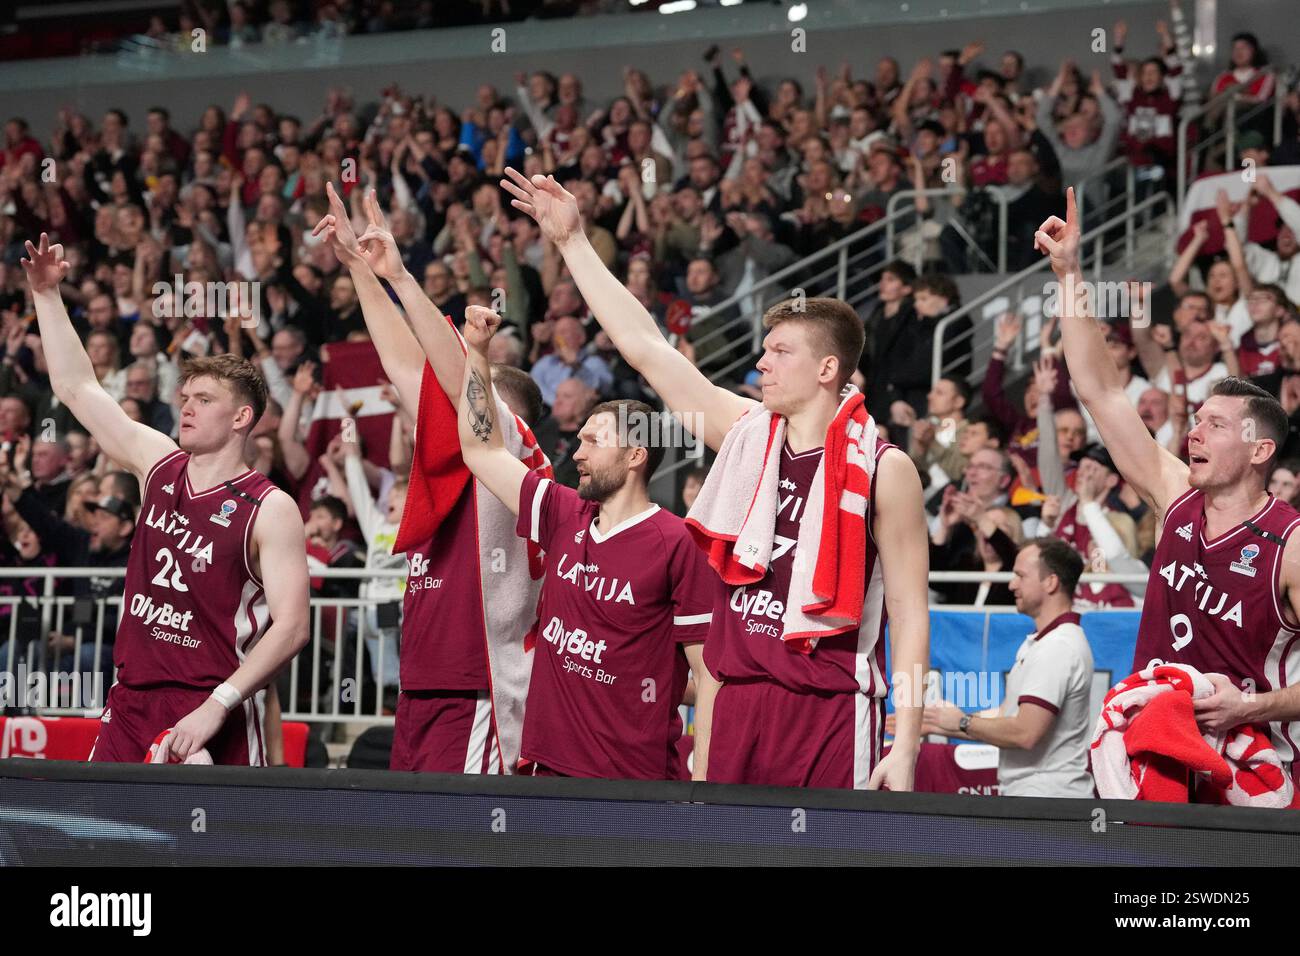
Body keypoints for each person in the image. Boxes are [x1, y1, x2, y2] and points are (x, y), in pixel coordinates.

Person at [499, 168, 927, 790]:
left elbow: (912, 617)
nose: (762, 361)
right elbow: (647, 348)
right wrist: (573, 243)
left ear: (828, 367)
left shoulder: (885, 469)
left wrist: (908, 739)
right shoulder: (746, 433)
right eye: (764, 347)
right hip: (736, 701)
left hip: (827, 706)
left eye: (781, 351)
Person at [1035, 189, 1300, 781]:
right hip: (1158, 753)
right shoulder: (1174, 494)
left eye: (1215, 425)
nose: (1194, 434)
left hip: (1257, 770)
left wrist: (1248, 707)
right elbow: (1101, 392)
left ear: (1260, 450)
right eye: (1196, 421)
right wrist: (1070, 274)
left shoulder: (1291, 543)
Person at [21, 233, 309, 765]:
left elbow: (292, 625)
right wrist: (46, 296)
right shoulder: (159, 463)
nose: (188, 408)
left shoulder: (270, 507)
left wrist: (217, 706)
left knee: (220, 848)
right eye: (185, 398)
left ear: (242, 417)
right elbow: (78, 388)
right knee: (101, 843)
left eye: (205, 399)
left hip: (212, 703)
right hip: (130, 699)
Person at [312, 184, 548, 774]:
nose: (425, 417)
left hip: (480, 688)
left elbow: (450, 377)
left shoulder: (513, 450)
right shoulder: (448, 458)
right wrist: (360, 269)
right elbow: (403, 367)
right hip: (423, 680)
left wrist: (400, 277)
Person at [455, 306, 713, 780]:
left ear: (636, 455)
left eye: (595, 441)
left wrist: (704, 783)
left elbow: (708, 675)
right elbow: (480, 449)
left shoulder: (677, 541)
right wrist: (475, 352)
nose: (578, 452)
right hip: (547, 768)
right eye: (581, 439)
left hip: (635, 781)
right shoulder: (561, 510)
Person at [922, 538, 1094, 798]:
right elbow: (1007, 715)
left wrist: (962, 722)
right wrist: (939, 724)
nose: (1012, 584)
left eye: (1020, 575)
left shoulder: (1058, 647)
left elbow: (1025, 733)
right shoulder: (1044, 642)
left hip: (1048, 800)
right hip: (1040, 796)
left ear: (1051, 582)